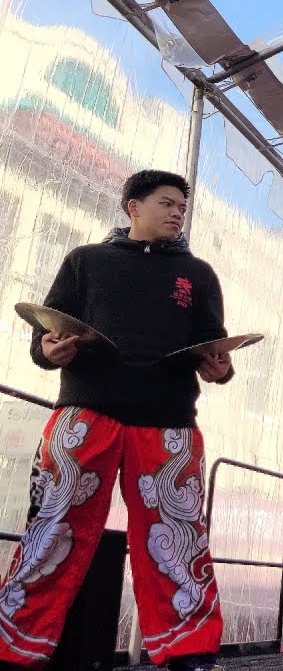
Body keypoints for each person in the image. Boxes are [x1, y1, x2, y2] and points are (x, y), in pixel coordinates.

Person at [0, 171, 234, 671]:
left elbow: (215, 347)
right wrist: (49, 350)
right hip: (85, 414)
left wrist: (221, 367)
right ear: (133, 207)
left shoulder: (199, 273)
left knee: (179, 536)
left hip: (168, 420)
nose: (177, 213)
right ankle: (16, 647)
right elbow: (45, 335)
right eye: (167, 203)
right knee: (51, 527)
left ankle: (188, 650)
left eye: (182, 207)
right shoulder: (84, 262)